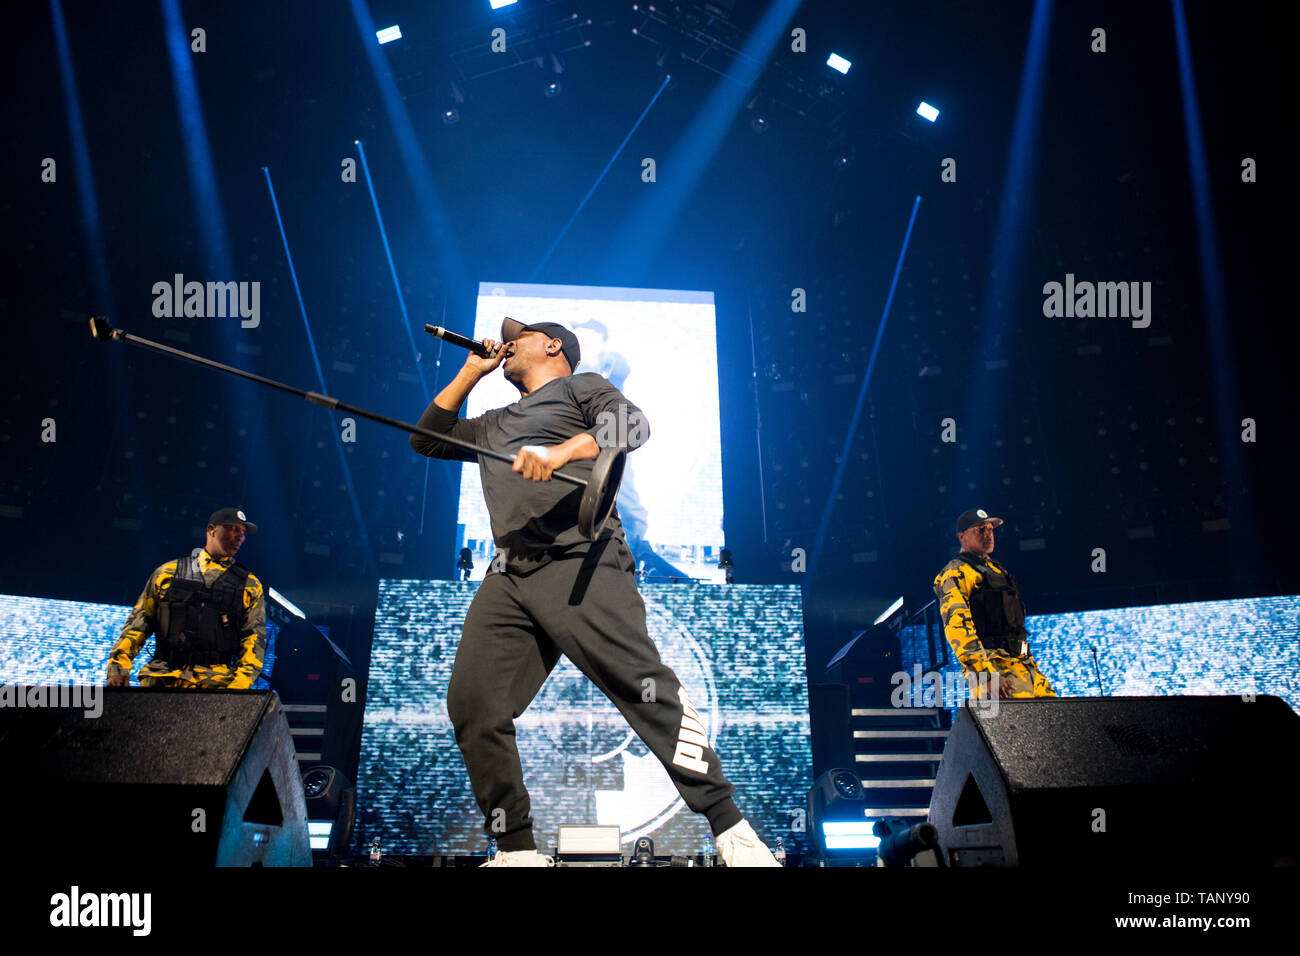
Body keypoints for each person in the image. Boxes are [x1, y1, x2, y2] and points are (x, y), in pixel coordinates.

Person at [409, 318, 778, 866]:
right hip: (510, 575)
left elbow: (633, 423)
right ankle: (516, 851)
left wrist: (561, 454)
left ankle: (732, 830)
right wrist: (471, 369)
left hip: (581, 557)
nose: (507, 343)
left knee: (641, 686)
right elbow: (426, 438)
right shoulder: (490, 423)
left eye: (520, 336)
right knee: (473, 703)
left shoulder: (581, 387)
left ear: (553, 345)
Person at [106, 507, 266, 689]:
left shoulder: (249, 585)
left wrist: (240, 685)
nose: (240, 537)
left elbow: (254, 638)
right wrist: (117, 669)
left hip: (215, 685)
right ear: (212, 530)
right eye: (234, 529)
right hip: (161, 678)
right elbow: (139, 623)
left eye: (243, 533)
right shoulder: (168, 572)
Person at [932, 508, 1057, 700]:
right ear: (962, 537)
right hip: (994, 668)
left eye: (990, 529)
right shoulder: (956, 572)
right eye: (980, 530)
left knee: (1057, 719)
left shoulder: (996, 568)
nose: (988, 534)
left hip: (1023, 664)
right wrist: (986, 675)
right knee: (1015, 727)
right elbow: (958, 629)